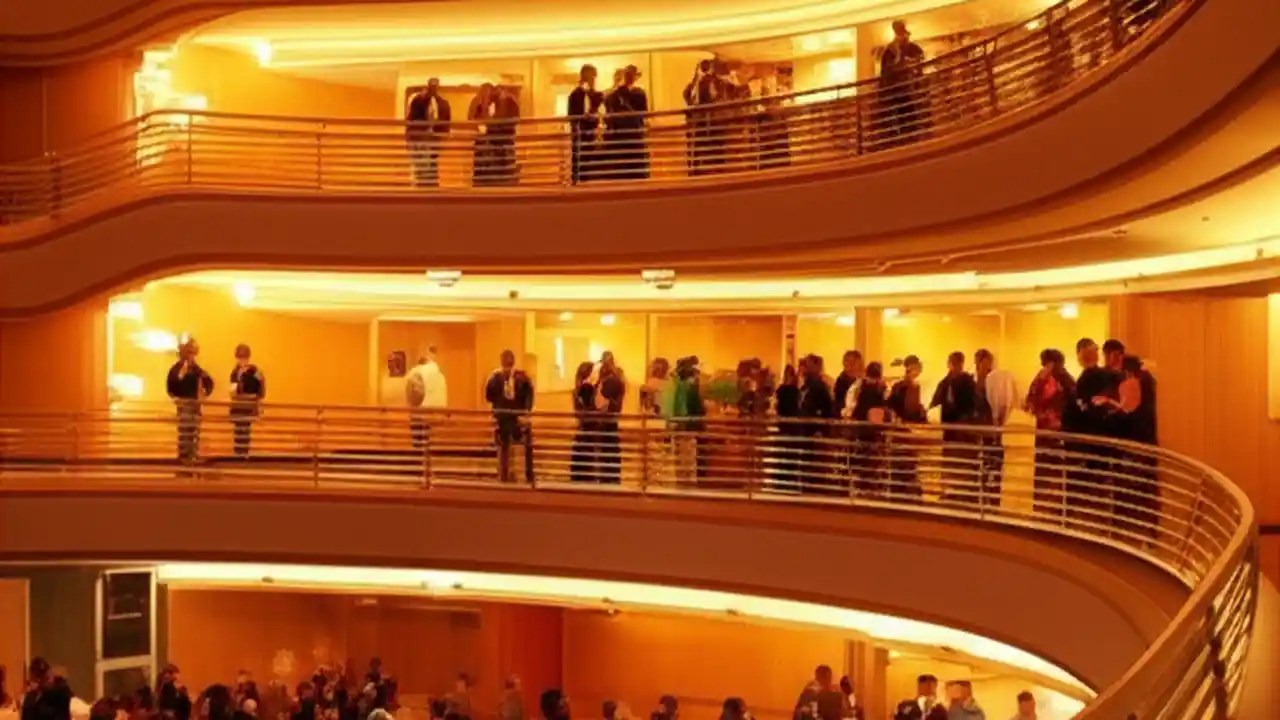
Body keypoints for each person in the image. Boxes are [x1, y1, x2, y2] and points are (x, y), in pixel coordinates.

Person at [1065, 338, 1122, 520]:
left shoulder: (1094, 377)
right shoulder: (1106, 376)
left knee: (1094, 481)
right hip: (1099, 438)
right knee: (1098, 480)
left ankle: (1090, 518)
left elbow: (1085, 408)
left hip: (1093, 439)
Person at [1025, 348, 1076, 515]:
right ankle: (1049, 507)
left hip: (1050, 431)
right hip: (1051, 431)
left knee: (1050, 469)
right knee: (1049, 469)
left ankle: (1048, 506)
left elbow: (1031, 402)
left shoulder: (1055, 379)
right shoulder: (1051, 379)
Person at [931, 351, 979, 503]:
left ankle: (960, 491)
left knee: (960, 461)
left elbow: (974, 405)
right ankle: (953, 490)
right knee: (953, 461)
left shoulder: (966, 382)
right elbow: (935, 403)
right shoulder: (947, 383)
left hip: (961, 430)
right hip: (952, 430)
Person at [973, 349, 1015, 508]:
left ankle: (993, 499)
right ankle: (982, 498)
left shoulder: (994, 380)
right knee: (982, 466)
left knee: (994, 465)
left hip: (992, 431)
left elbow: (1001, 405)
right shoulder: (975, 382)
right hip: (981, 431)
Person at [485, 350, 535, 483]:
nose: (507, 368)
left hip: (516, 418)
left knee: (523, 444)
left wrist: (526, 411)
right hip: (503, 418)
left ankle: (527, 475)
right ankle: (504, 475)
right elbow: (489, 396)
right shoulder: (495, 378)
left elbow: (529, 394)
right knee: (504, 446)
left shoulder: (521, 378)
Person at [878, 20, 928, 148]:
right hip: (898, 90)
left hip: (910, 89)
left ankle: (913, 139)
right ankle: (906, 140)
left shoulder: (912, 48)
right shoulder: (890, 50)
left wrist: (913, 66)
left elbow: (920, 63)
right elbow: (887, 71)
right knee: (903, 115)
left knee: (912, 115)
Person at [167, 337, 214, 465]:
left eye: (193, 353)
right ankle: (184, 457)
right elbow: (171, 386)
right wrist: (177, 396)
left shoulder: (196, 369)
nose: (191, 356)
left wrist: (205, 394)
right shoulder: (176, 369)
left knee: (193, 432)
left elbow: (209, 382)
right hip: (184, 405)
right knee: (184, 432)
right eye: (189, 353)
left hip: (194, 404)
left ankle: (191, 456)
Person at [604, 65, 650, 180]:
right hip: (626, 135)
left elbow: (643, 113)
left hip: (628, 135)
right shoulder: (617, 94)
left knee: (630, 166)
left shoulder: (637, 93)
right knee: (629, 167)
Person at [798, 355, 836, 493]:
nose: (805, 368)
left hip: (814, 430)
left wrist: (821, 428)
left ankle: (814, 488)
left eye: (809, 365)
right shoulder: (805, 386)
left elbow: (827, 409)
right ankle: (806, 486)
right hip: (805, 430)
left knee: (814, 461)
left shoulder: (819, 387)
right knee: (806, 460)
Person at [850, 362, 889, 494]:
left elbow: (858, 411)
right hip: (875, 432)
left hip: (864, 432)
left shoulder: (862, 390)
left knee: (864, 461)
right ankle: (872, 487)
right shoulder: (878, 392)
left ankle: (864, 487)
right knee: (873, 461)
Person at [405, 78, 452, 188]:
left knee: (431, 164)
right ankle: (424, 186)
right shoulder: (418, 100)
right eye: (432, 86)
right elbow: (412, 119)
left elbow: (445, 122)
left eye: (435, 86)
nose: (433, 88)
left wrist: (443, 136)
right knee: (422, 166)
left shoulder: (442, 103)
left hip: (433, 139)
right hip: (420, 139)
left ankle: (431, 186)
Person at [567, 64, 605, 185]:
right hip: (581, 134)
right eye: (593, 76)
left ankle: (585, 181)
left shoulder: (593, 94)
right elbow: (574, 116)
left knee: (589, 161)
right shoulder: (576, 94)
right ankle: (578, 181)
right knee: (581, 160)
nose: (594, 80)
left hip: (590, 135)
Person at [406, 347, 448, 452]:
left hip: (420, 410)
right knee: (426, 437)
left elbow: (413, 392)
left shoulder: (417, 372)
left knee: (417, 437)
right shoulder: (440, 375)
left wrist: (412, 406)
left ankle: (417, 455)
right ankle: (425, 454)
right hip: (434, 411)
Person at [228, 344, 265, 458]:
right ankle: (238, 453)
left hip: (248, 404)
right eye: (240, 357)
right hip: (238, 404)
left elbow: (261, 384)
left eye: (244, 357)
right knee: (238, 430)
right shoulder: (235, 371)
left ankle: (244, 453)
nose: (242, 360)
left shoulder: (254, 370)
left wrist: (258, 399)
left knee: (245, 429)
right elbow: (233, 387)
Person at [595, 351, 627, 483]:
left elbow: (601, 401)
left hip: (606, 420)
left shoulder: (611, 381)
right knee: (610, 449)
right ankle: (610, 477)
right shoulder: (616, 379)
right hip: (611, 419)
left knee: (608, 450)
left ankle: (608, 478)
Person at [571, 361, 600, 483]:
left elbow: (577, 411)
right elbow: (595, 406)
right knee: (589, 454)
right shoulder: (589, 388)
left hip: (582, 426)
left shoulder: (577, 390)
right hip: (590, 426)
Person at [833, 350, 866, 419]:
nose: (849, 368)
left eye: (852, 364)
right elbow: (838, 403)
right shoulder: (841, 382)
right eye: (846, 364)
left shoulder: (865, 382)